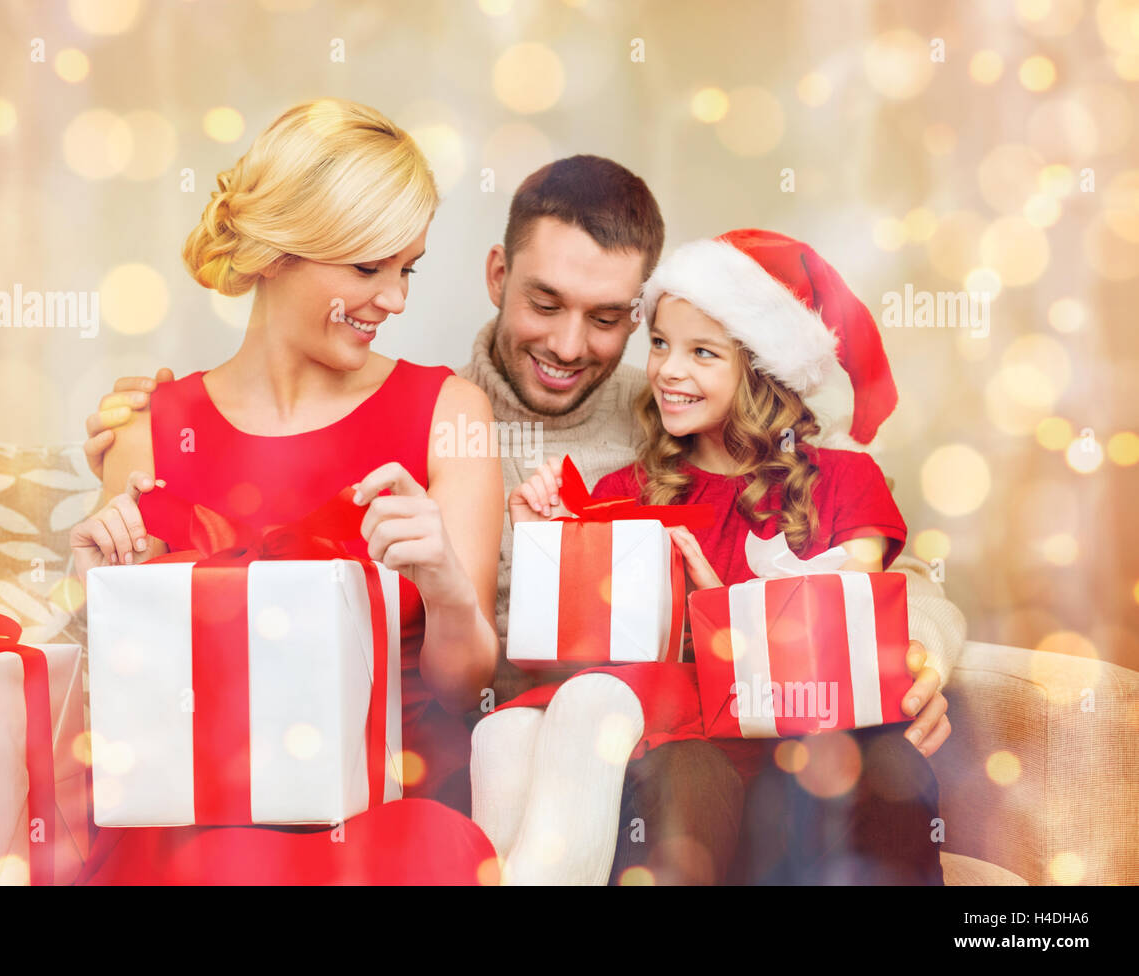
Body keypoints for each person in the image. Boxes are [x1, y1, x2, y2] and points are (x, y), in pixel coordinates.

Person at [82, 157, 965, 885]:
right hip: (488, 739)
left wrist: (911, 658)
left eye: (612, 319)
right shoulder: (431, 412)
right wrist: (153, 458)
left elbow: (847, 529)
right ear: (498, 277)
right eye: (546, 304)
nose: (573, 345)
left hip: (660, 734)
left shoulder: (679, 405)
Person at [69, 97, 501, 884]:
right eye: (368, 268)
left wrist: (443, 584)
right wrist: (95, 575)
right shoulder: (148, 427)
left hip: (386, 799)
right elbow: (133, 682)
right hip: (207, 807)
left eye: (408, 269)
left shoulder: (449, 413)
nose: (397, 300)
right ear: (274, 253)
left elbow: (464, 684)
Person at [478, 230, 947, 885]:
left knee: (884, 764)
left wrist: (719, 612)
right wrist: (551, 551)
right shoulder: (626, 494)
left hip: (802, 759)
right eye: (662, 343)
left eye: (703, 352)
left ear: (762, 370)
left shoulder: (841, 480)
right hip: (682, 761)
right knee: (663, 765)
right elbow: (579, 673)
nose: (668, 370)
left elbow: (872, 619)